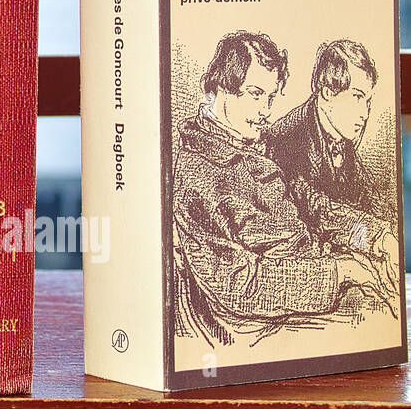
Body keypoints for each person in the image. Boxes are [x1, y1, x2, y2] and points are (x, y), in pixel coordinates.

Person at [171, 31, 399, 347]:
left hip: (313, 288)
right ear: (223, 88)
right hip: (265, 327)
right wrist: (339, 274)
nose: (265, 110)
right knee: (376, 318)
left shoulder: (254, 144)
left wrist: (373, 236)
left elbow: (309, 202)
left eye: (271, 97)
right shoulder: (197, 174)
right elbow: (241, 287)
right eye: (255, 93)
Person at [263, 39, 388, 218]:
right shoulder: (287, 137)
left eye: (367, 102)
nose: (365, 114)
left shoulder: (340, 135)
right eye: (357, 97)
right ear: (328, 92)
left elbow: (363, 198)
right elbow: (311, 209)